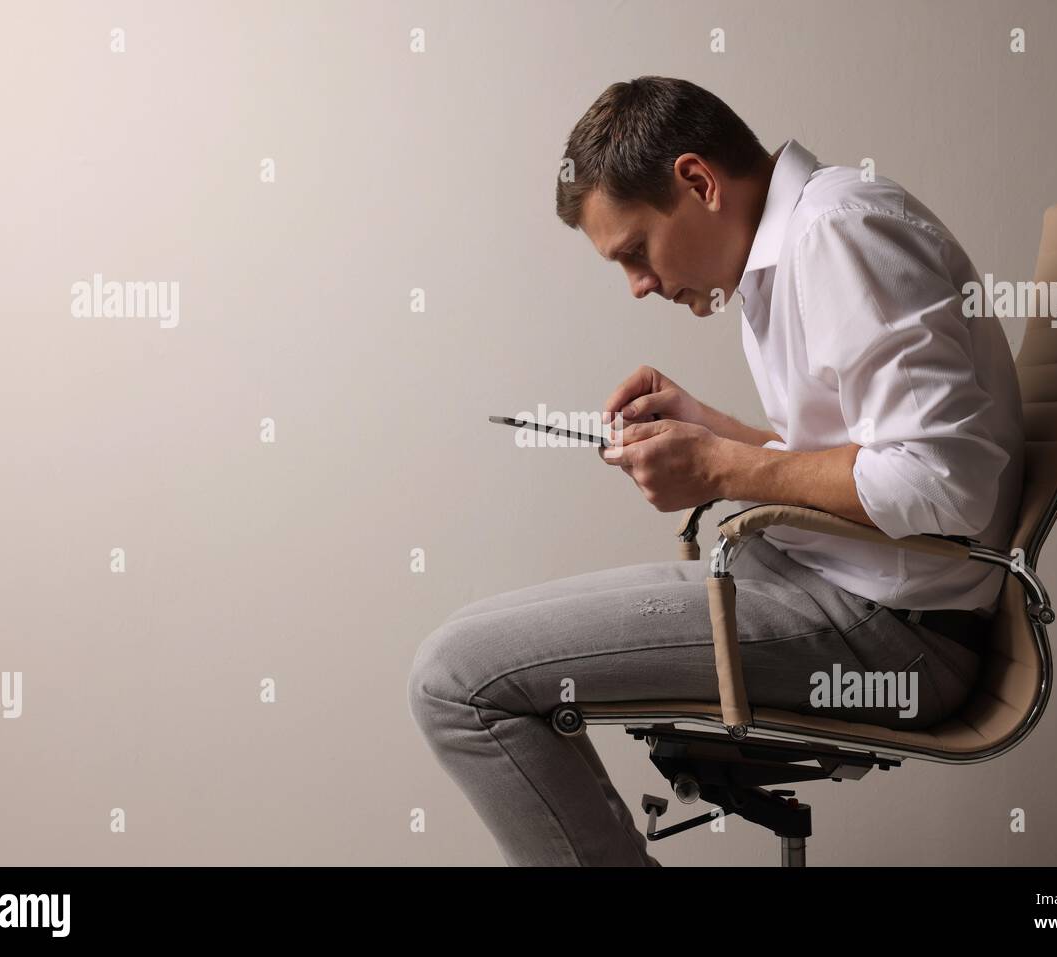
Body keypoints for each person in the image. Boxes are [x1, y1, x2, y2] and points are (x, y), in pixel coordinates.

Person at [408, 76, 1024, 866]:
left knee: (453, 679)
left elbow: (944, 484)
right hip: (828, 587)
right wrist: (713, 432)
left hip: (887, 634)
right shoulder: (801, 244)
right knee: (458, 660)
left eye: (635, 251)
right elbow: (872, 458)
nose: (639, 285)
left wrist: (720, 465)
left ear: (698, 182)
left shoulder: (839, 230)